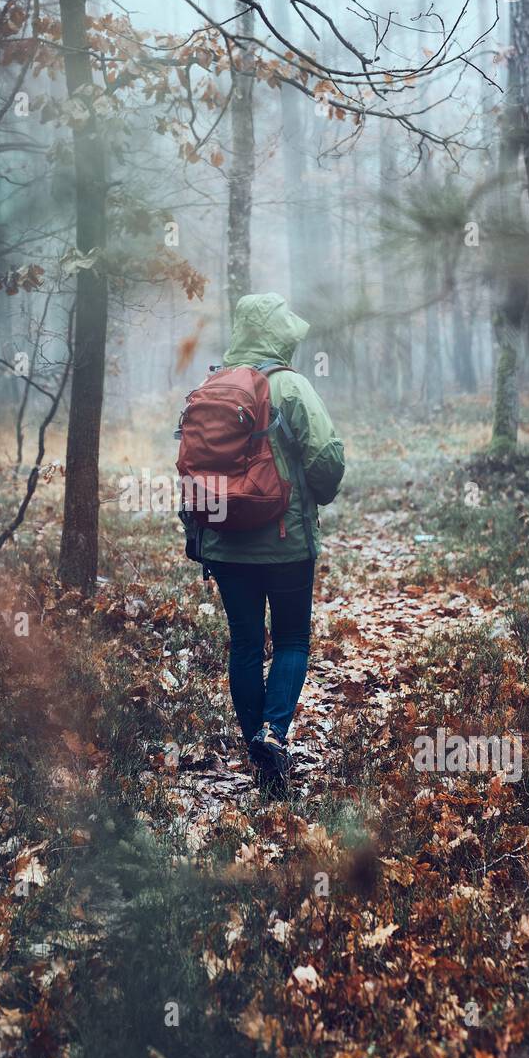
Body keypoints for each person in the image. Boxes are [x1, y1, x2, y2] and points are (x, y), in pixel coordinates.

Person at [199, 292, 345, 791]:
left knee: (244, 643)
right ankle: (273, 735)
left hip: (223, 544)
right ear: (279, 335)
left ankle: (257, 752)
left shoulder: (211, 384)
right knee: (290, 641)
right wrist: (317, 494)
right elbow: (326, 458)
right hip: (285, 543)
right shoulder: (291, 387)